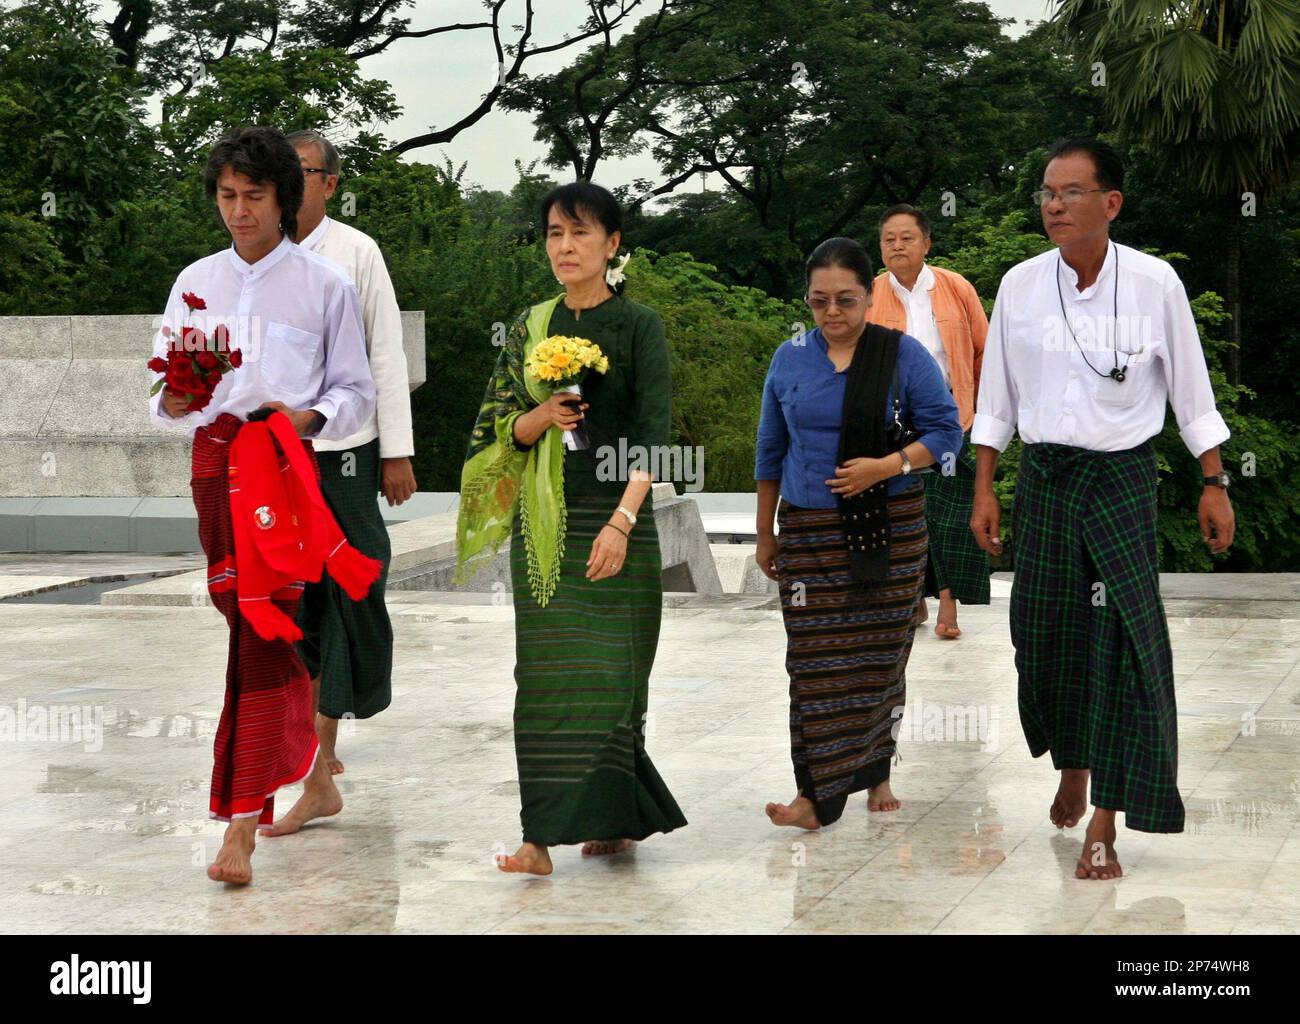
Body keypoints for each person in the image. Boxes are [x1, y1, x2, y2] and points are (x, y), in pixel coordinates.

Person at [970, 137, 1236, 880]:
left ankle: (1107, 817)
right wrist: (985, 487)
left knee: (1122, 641)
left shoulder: (1155, 283)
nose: (1054, 205)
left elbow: (1192, 392)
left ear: (1110, 203)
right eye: (1046, 194)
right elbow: (997, 397)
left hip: (1121, 479)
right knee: (1046, 635)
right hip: (1047, 478)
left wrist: (1215, 483)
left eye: (1070, 192)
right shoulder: (1020, 284)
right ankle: (1074, 762)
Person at [149, 126, 376, 884]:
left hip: (281, 473)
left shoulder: (324, 286)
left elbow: (355, 393)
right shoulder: (195, 282)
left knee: (257, 636)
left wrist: (304, 418)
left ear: (285, 199)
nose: (239, 212)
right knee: (258, 632)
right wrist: (179, 395)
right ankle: (300, 737)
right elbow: (166, 401)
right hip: (214, 470)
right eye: (226, 196)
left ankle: (237, 829)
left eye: (254, 196)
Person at [454, 181, 687, 875]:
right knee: (550, 678)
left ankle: (612, 815)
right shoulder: (530, 324)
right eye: (555, 233)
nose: (564, 246)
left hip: (618, 516)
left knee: (615, 677)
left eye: (580, 233)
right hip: (547, 523)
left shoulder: (639, 326)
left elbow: (654, 439)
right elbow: (499, 430)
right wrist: (542, 415)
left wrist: (621, 522)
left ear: (612, 244)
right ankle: (538, 839)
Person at [755, 237, 963, 829]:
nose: (832, 314)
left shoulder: (902, 355)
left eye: (845, 300)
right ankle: (815, 795)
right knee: (815, 663)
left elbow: (946, 434)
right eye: (819, 302)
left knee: (877, 658)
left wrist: (887, 465)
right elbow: (770, 448)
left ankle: (875, 770)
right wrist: (765, 531)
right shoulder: (790, 357)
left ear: (868, 296)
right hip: (808, 529)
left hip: (887, 530)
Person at [287, 129, 416, 776]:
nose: (289, 183)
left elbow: (386, 352)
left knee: (357, 575)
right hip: (280, 455)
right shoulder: (259, 252)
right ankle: (317, 735)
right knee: (301, 592)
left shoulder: (355, 251)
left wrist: (396, 452)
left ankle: (337, 715)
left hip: (347, 447)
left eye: (303, 172)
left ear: (331, 183)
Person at [868, 204, 991, 638]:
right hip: (892, 423)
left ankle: (949, 604)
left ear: (926, 243)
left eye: (907, 238)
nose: (897, 246)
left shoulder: (955, 287)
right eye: (889, 239)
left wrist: (982, 408)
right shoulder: (870, 292)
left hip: (951, 417)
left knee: (950, 513)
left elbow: (984, 351)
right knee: (905, 512)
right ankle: (914, 600)